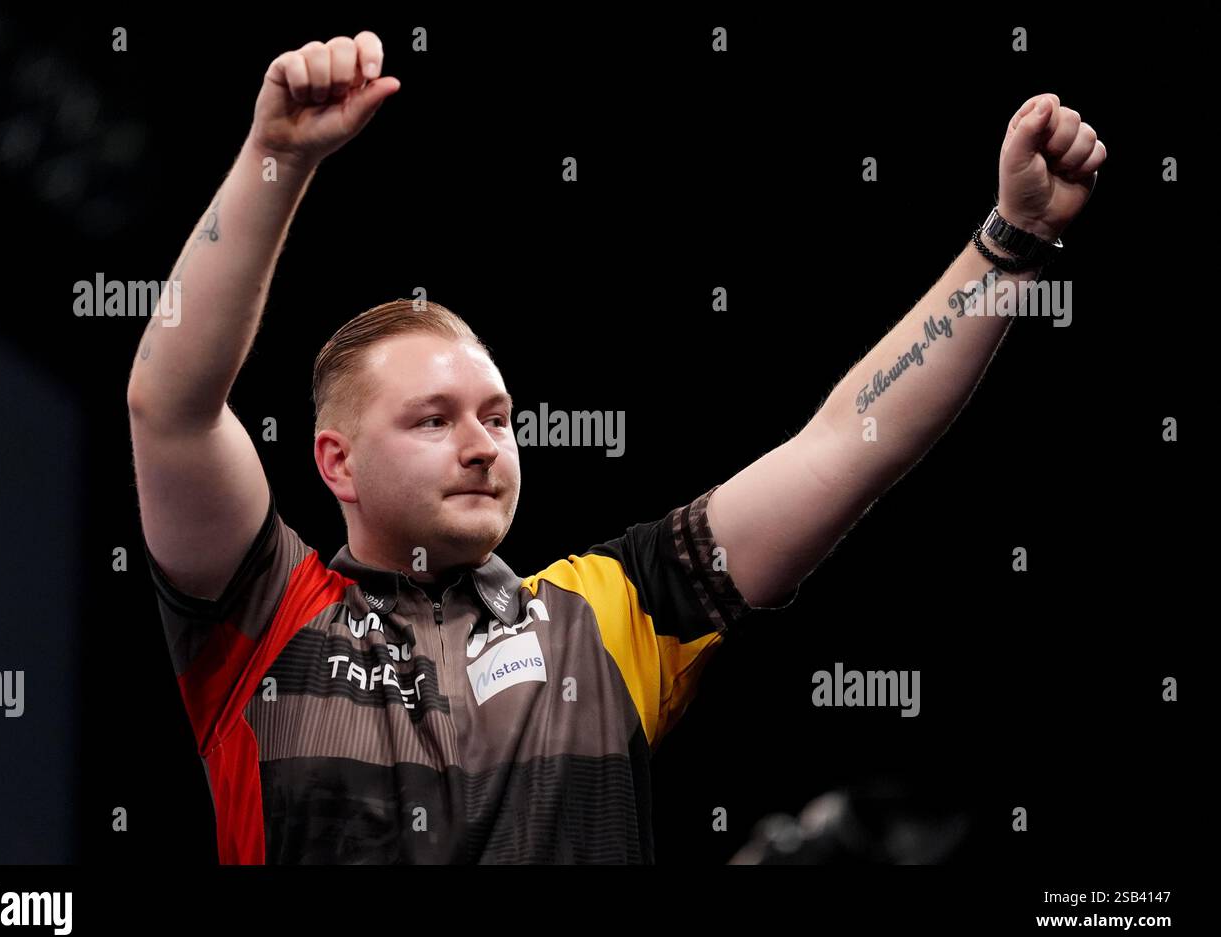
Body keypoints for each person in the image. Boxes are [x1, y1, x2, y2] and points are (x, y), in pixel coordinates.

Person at [126, 33, 1105, 863]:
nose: (481, 445)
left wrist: (1007, 242)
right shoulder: (266, 621)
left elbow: (849, 442)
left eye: (499, 417)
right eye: (433, 419)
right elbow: (169, 406)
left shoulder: (605, 613)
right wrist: (275, 159)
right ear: (335, 462)